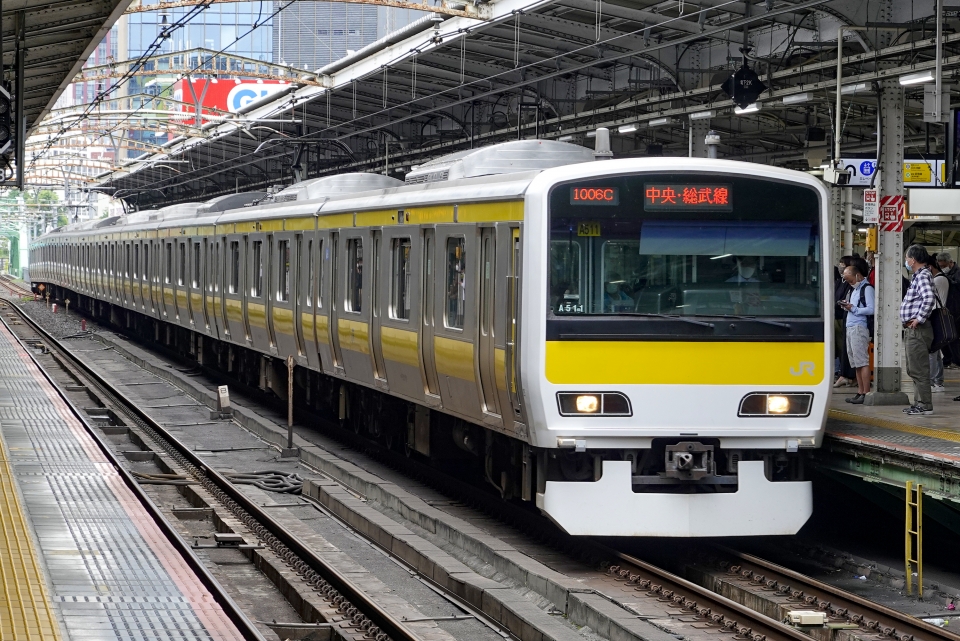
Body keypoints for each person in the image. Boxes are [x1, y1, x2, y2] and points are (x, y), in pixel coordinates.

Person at [901, 245, 937, 415]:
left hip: (918, 330)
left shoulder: (922, 276)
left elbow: (929, 298)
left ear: (913, 260)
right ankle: (918, 403)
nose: (906, 261)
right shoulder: (919, 276)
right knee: (914, 368)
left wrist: (919, 319)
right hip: (915, 329)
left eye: (907, 258)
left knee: (919, 369)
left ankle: (925, 405)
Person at [838, 262, 874, 403]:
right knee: (856, 363)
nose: (849, 283)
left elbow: (871, 309)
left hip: (859, 328)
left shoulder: (867, 289)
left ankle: (866, 393)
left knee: (862, 362)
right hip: (851, 327)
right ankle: (860, 391)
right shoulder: (855, 289)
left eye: (850, 280)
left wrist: (854, 309)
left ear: (858, 275)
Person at [928, 255, 950, 393]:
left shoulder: (938, 280)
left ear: (930, 267)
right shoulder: (942, 278)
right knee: (935, 352)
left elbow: (933, 302)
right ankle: (938, 381)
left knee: (932, 352)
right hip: (939, 316)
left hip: (935, 317)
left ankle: (933, 381)